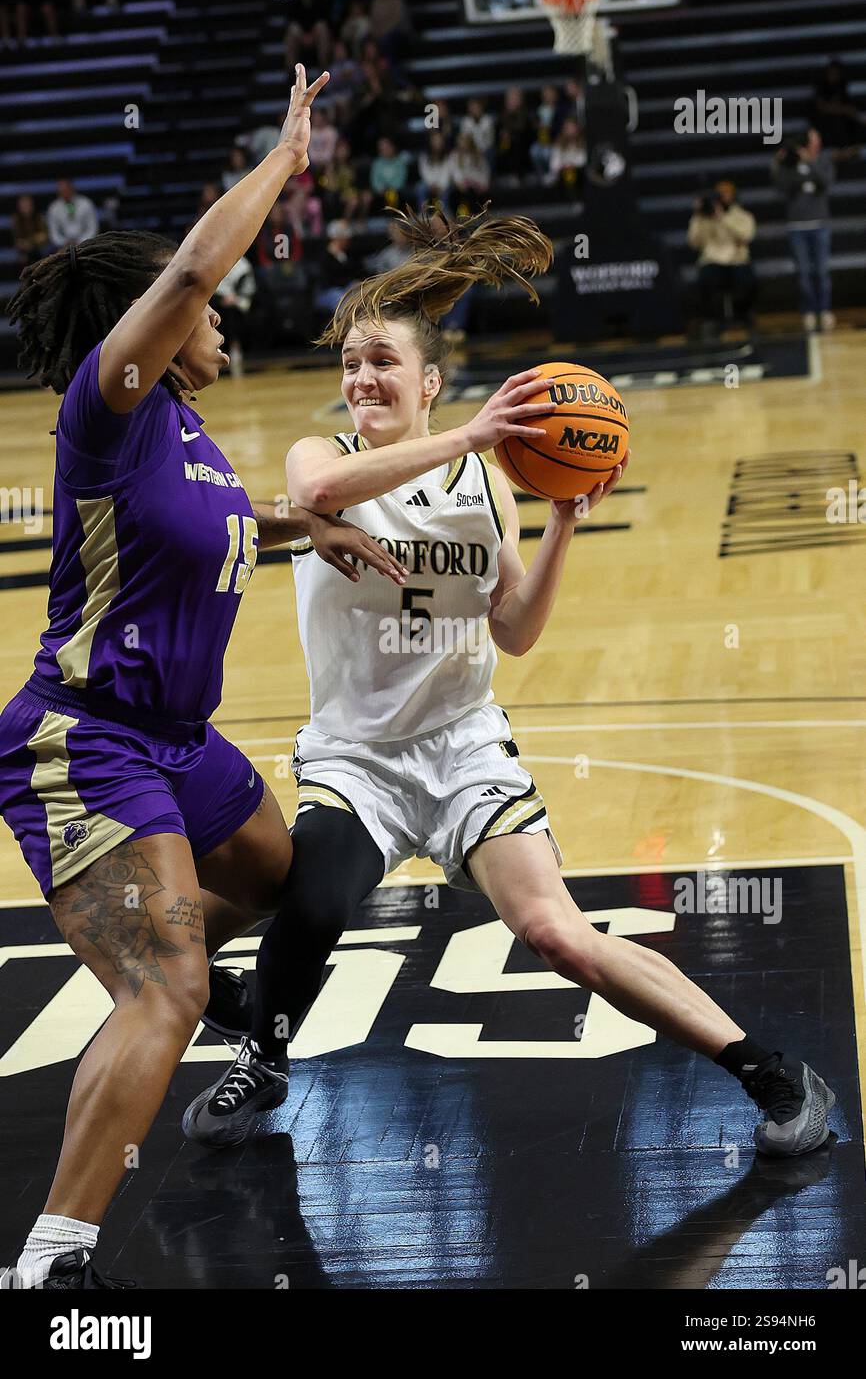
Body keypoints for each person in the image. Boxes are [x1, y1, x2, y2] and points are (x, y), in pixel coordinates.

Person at [182, 206, 835, 1165]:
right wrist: (476, 433)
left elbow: (515, 631)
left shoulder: (486, 487)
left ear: (430, 382)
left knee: (557, 934)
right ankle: (266, 1056)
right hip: (356, 759)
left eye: (383, 363)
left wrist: (564, 520)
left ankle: (770, 1071)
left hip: (462, 750)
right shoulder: (323, 460)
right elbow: (316, 502)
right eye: (352, 363)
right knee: (313, 900)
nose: (362, 377)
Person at [0, 66, 404, 1293]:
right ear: (158, 329)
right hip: (86, 739)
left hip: (179, 741)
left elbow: (210, 526)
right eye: (206, 314)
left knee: (287, 882)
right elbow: (183, 276)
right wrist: (286, 159)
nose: (223, 323)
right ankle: (50, 1266)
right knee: (168, 985)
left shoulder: (185, 432)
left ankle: (158, 971)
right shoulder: (107, 413)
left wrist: (299, 527)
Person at [771, 128, 835, 333]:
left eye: (815, 139)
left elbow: (825, 183)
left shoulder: (823, 161)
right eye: (810, 140)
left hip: (820, 224)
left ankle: (824, 310)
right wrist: (781, 163)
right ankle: (808, 311)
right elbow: (782, 186)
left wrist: (809, 162)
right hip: (797, 226)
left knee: (822, 272)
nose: (813, 143)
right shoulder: (789, 163)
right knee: (804, 273)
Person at [687, 179, 757, 336]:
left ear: (733, 195)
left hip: (737, 259)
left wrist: (723, 219)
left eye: (727, 193)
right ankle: (712, 319)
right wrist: (698, 216)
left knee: (748, 281)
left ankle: (743, 315)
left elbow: (745, 236)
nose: (724, 197)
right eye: (721, 194)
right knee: (705, 280)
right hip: (713, 259)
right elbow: (694, 242)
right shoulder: (703, 217)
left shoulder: (742, 215)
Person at [810, 59, 862, 158]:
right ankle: (841, 151)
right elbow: (822, 107)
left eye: (837, 73)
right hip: (824, 119)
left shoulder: (841, 85)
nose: (834, 75)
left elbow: (845, 104)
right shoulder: (821, 86)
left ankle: (850, 150)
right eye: (832, 73)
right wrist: (843, 109)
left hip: (840, 118)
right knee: (837, 123)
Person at [46, 179, 99, 250]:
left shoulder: (86, 203)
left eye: (66, 190)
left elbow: (92, 228)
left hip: (86, 244)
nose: (64, 193)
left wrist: (81, 242)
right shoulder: (53, 208)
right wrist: (63, 242)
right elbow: (53, 232)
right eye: (61, 191)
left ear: (72, 189)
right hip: (63, 246)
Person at [11, 193, 48, 267]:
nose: (26, 208)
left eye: (28, 205)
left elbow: (44, 236)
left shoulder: (38, 218)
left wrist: (30, 242)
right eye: (23, 206)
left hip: (39, 249)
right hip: (24, 251)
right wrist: (28, 243)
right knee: (23, 258)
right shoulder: (16, 220)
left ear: (32, 206)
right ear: (19, 207)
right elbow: (17, 241)